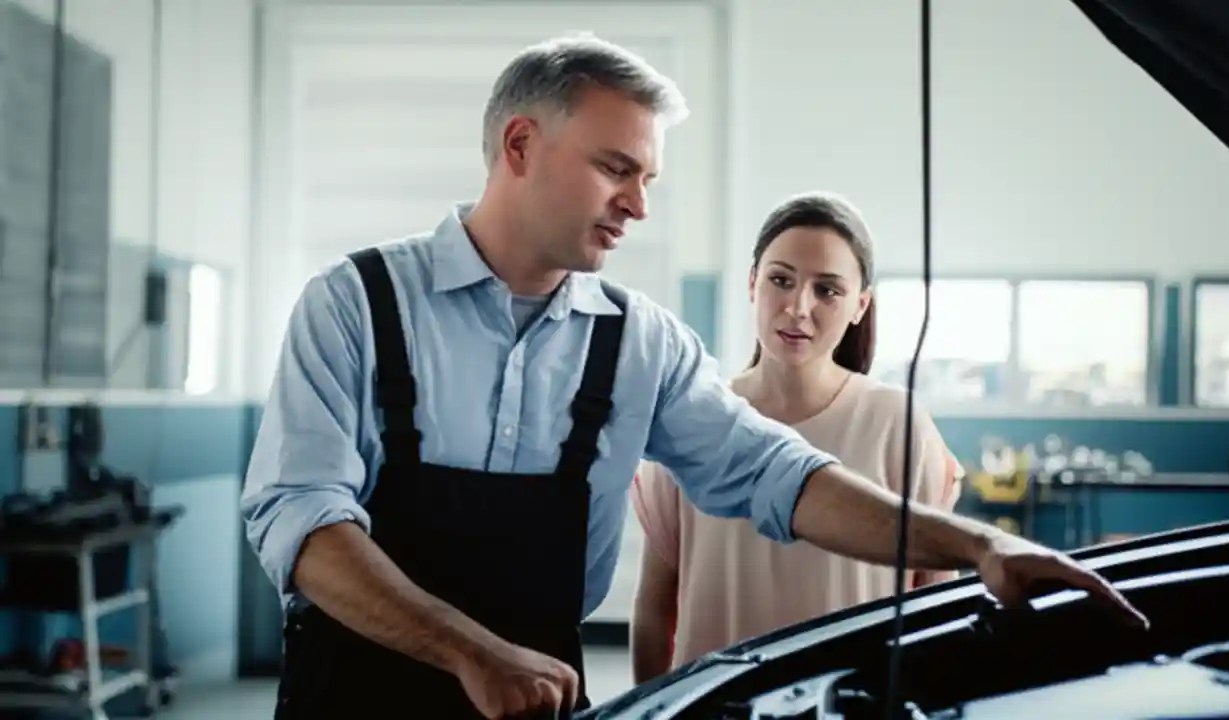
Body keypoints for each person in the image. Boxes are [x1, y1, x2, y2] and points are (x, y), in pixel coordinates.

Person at [240, 33, 1147, 720]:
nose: (638, 205)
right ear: (519, 145)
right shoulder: (355, 305)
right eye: (616, 169)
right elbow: (302, 520)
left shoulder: (641, 343)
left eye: (649, 178)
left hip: (539, 700)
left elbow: (777, 473)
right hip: (354, 693)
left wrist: (979, 546)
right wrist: (470, 652)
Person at [630, 192, 965, 683]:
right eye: (781, 280)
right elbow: (654, 612)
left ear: (860, 305)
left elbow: (938, 609)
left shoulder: (898, 422)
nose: (797, 307)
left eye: (827, 290)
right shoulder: (693, 417)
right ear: (752, 283)